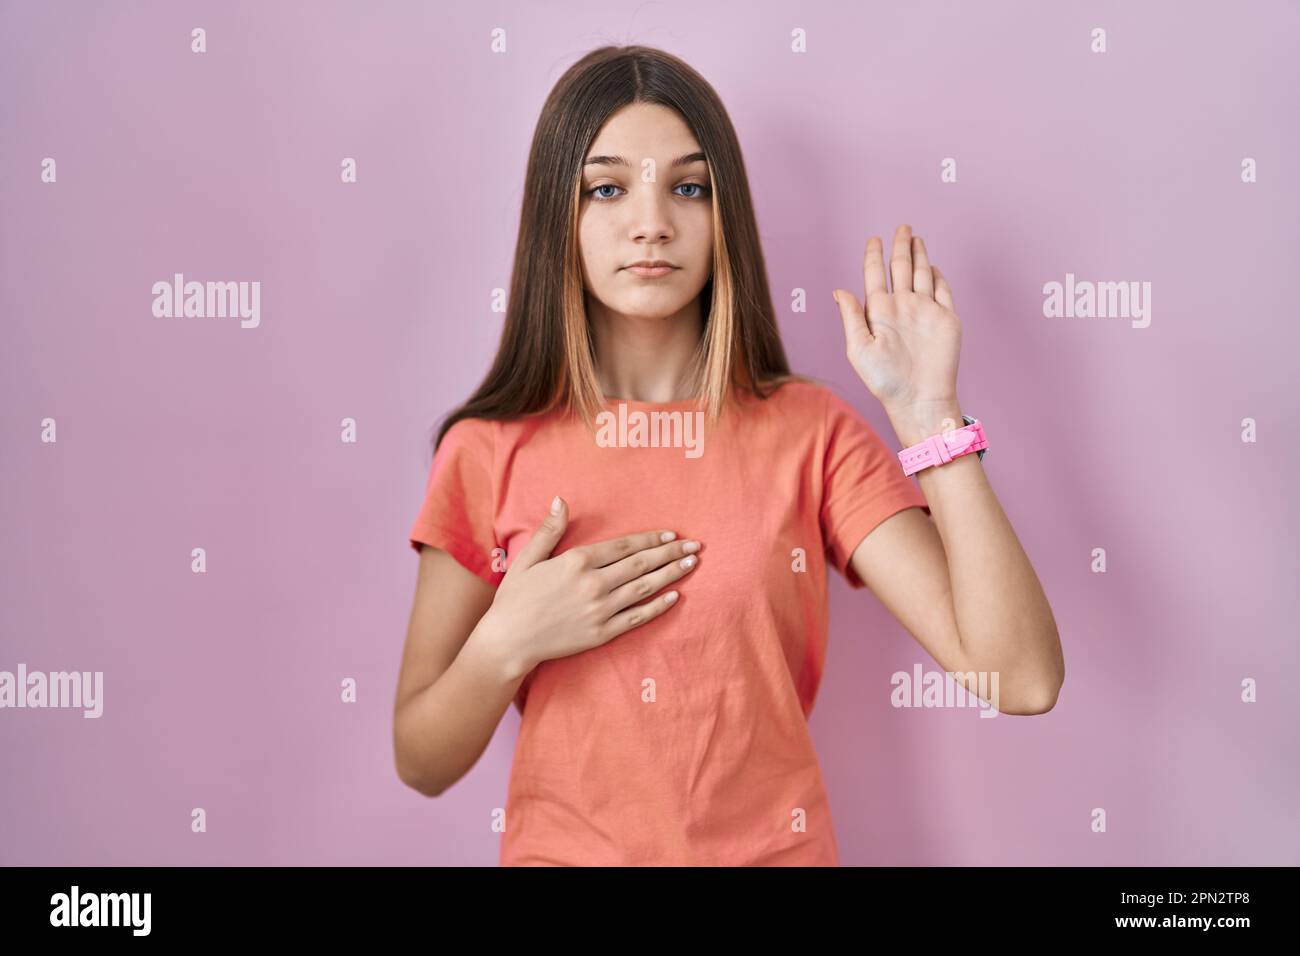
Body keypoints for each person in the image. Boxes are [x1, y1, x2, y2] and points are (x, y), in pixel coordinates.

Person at [393, 45, 1064, 866]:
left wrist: (933, 420)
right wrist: (510, 640)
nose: (651, 222)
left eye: (688, 187)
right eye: (607, 188)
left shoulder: (811, 434)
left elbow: (1021, 679)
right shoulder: (487, 449)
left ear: (725, 217)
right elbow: (421, 761)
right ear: (556, 218)